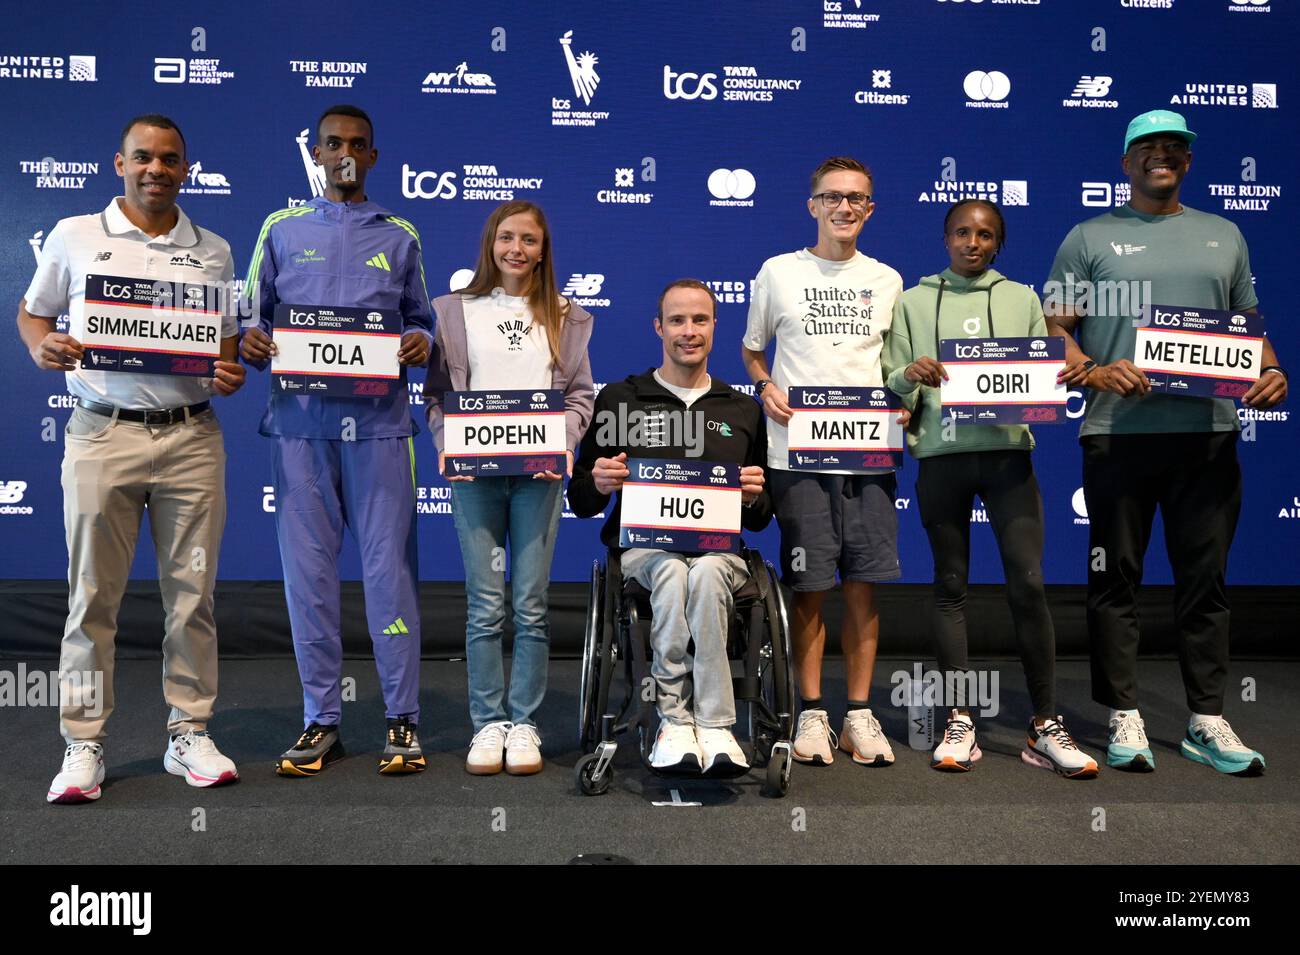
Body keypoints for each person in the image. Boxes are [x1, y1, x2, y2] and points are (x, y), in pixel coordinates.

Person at [1045, 109, 1287, 776]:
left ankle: (1206, 718)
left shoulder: (1224, 233)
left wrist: (1270, 367)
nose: (1164, 155)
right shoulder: (1088, 236)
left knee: (1204, 583)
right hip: (1117, 436)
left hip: (1206, 436)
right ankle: (1124, 713)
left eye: (1176, 147)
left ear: (1188, 160)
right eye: (1150, 147)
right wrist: (1093, 369)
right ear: (1126, 162)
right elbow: (1055, 328)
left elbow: (1248, 323)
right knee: (1115, 580)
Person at [18, 114, 247, 803]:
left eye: (169, 158)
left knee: (193, 598)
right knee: (92, 598)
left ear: (186, 168)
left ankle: (190, 732)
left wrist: (227, 372)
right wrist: (40, 345)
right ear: (118, 163)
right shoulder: (74, 235)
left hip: (190, 437)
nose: (156, 168)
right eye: (142, 157)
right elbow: (35, 314)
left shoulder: (214, 249)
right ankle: (82, 743)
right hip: (101, 433)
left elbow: (225, 344)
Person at [240, 104, 433, 776]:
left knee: (389, 576)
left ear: (373, 157)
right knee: (310, 579)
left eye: (357, 144)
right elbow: (248, 322)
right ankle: (320, 719)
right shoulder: (281, 228)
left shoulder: (401, 234)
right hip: (299, 429)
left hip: (380, 429)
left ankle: (402, 719)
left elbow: (424, 323)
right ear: (316, 154)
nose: (344, 153)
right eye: (333, 144)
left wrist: (421, 341)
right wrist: (250, 340)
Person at [883, 199, 1099, 778]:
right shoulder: (913, 300)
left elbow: (1042, 376)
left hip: (1008, 462)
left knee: (1028, 586)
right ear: (946, 237)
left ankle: (1045, 724)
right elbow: (893, 385)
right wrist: (910, 375)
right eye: (961, 232)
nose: (972, 242)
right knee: (950, 587)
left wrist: (1063, 372)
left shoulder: (1022, 298)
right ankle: (959, 718)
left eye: (984, 235)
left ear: (997, 244)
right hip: (942, 461)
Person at [741, 156, 904, 768]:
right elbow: (753, 350)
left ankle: (858, 716)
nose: (844, 207)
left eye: (856, 198)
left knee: (863, 588)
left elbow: (896, 367)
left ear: (869, 209)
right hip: (796, 455)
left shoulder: (889, 280)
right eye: (832, 197)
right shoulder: (778, 273)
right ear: (812, 205)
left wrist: (904, 404)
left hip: (869, 454)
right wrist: (763, 385)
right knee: (809, 587)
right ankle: (811, 712)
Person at [569, 280, 772, 774]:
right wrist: (598, 480)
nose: (689, 331)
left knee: (700, 574)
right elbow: (579, 500)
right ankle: (675, 721)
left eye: (700, 320)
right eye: (677, 321)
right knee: (673, 573)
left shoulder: (741, 409)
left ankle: (717, 726)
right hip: (645, 552)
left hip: (717, 555)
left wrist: (754, 495)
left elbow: (762, 516)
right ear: (659, 327)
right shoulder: (620, 399)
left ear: (714, 327)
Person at [424, 201, 594, 776]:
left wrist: (563, 445)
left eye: (528, 240)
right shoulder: (453, 310)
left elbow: (579, 396)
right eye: (506, 238)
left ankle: (524, 722)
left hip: (537, 478)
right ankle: (487, 722)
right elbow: (437, 397)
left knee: (530, 603)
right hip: (474, 477)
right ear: (490, 244)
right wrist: (449, 445)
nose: (516, 249)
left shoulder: (567, 316)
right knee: (485, 604)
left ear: (543, 250)